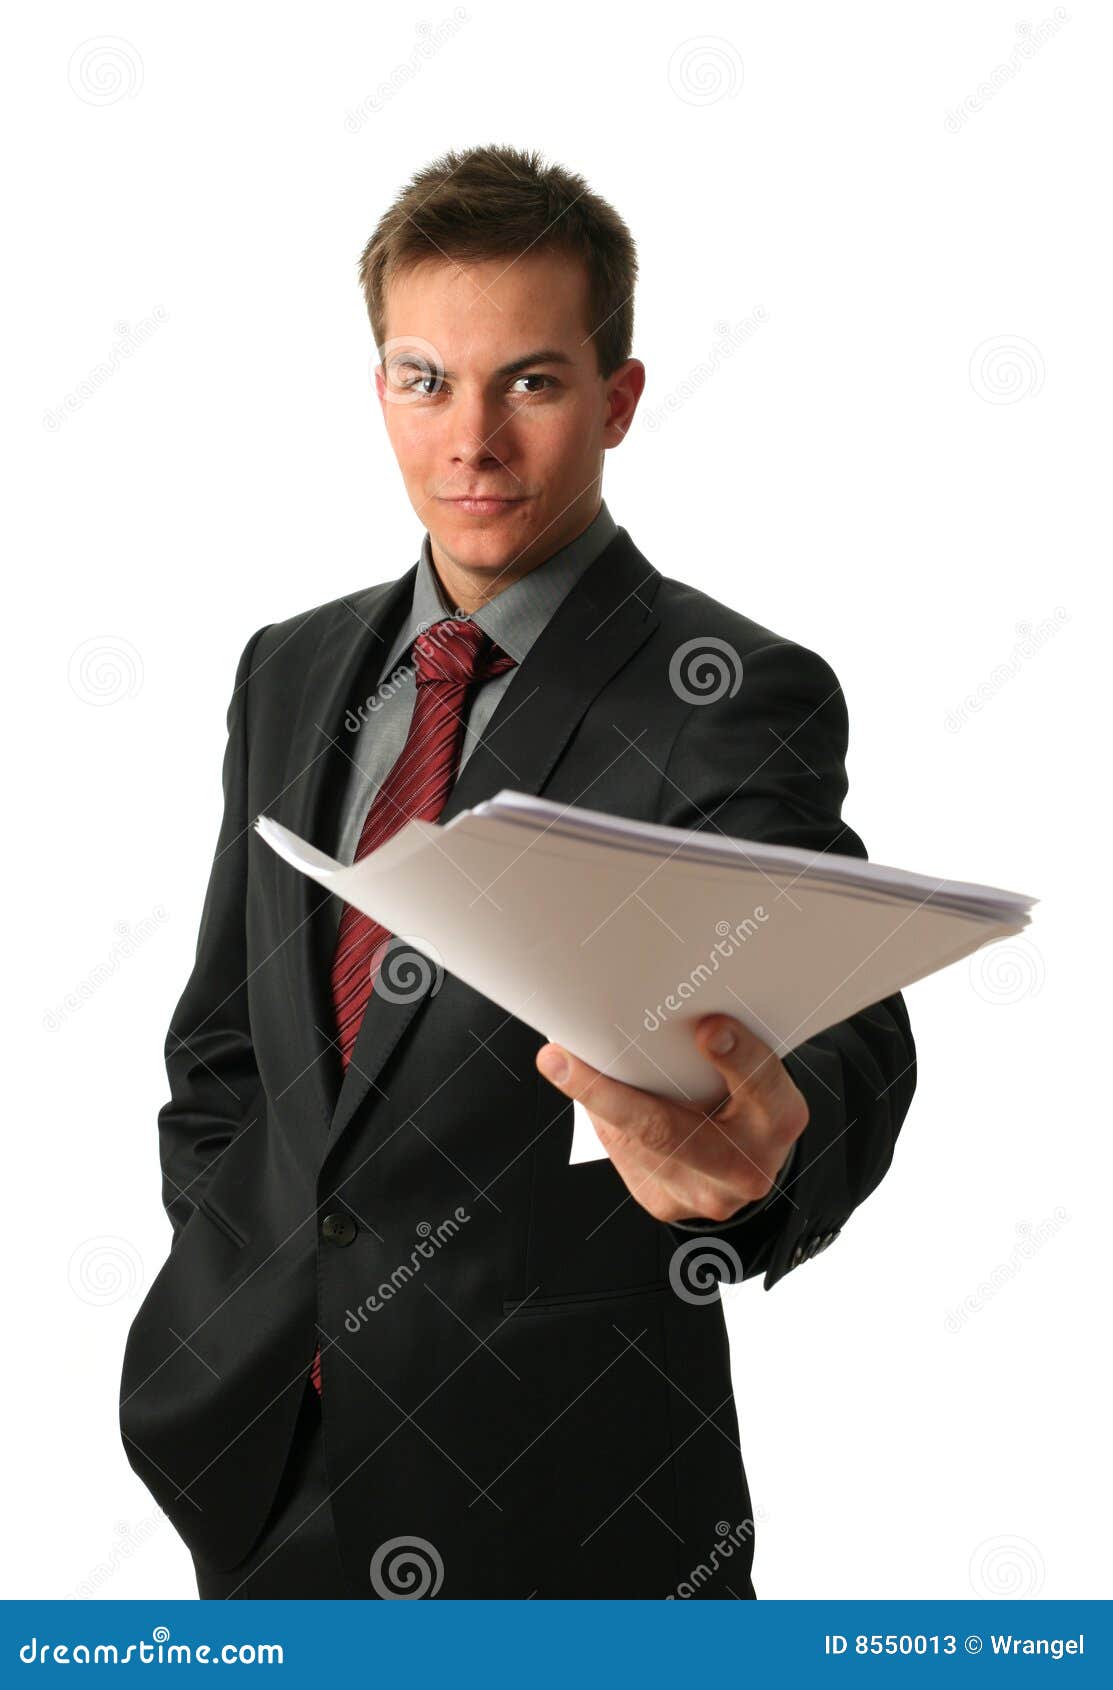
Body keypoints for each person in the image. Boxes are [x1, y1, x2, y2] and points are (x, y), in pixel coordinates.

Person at [119, 143, 916, 1600]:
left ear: (616, 397)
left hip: (563, 1504)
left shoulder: (725, 687)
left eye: (530, 382)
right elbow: (230, 1041)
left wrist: (761, 1162)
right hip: (259, 1469)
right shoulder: (292, 668)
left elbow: (841, 1015)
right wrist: (236, 1277)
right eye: (426, 379)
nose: (470, 436)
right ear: (379, 391)